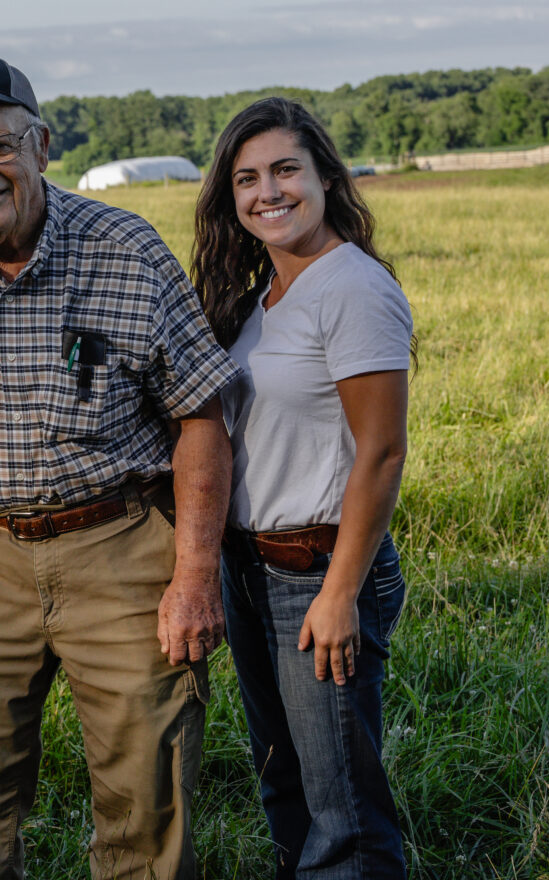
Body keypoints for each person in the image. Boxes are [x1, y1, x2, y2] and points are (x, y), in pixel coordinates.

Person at [0, 56, 242, 880]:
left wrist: (195, 575)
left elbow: (201, 415)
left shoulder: (125, 250)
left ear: (41, 146)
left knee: (147, 800)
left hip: (119, 547)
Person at [191, 97, 412, 878]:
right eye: (246, 178)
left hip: (318, 571)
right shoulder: (264, 297)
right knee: (283, 783)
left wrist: (340, 593)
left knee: (342, 811)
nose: (267, 192)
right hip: (251, 569)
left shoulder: (350, 287)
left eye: (286, 169)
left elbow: (382, 453)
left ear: (325, 178)